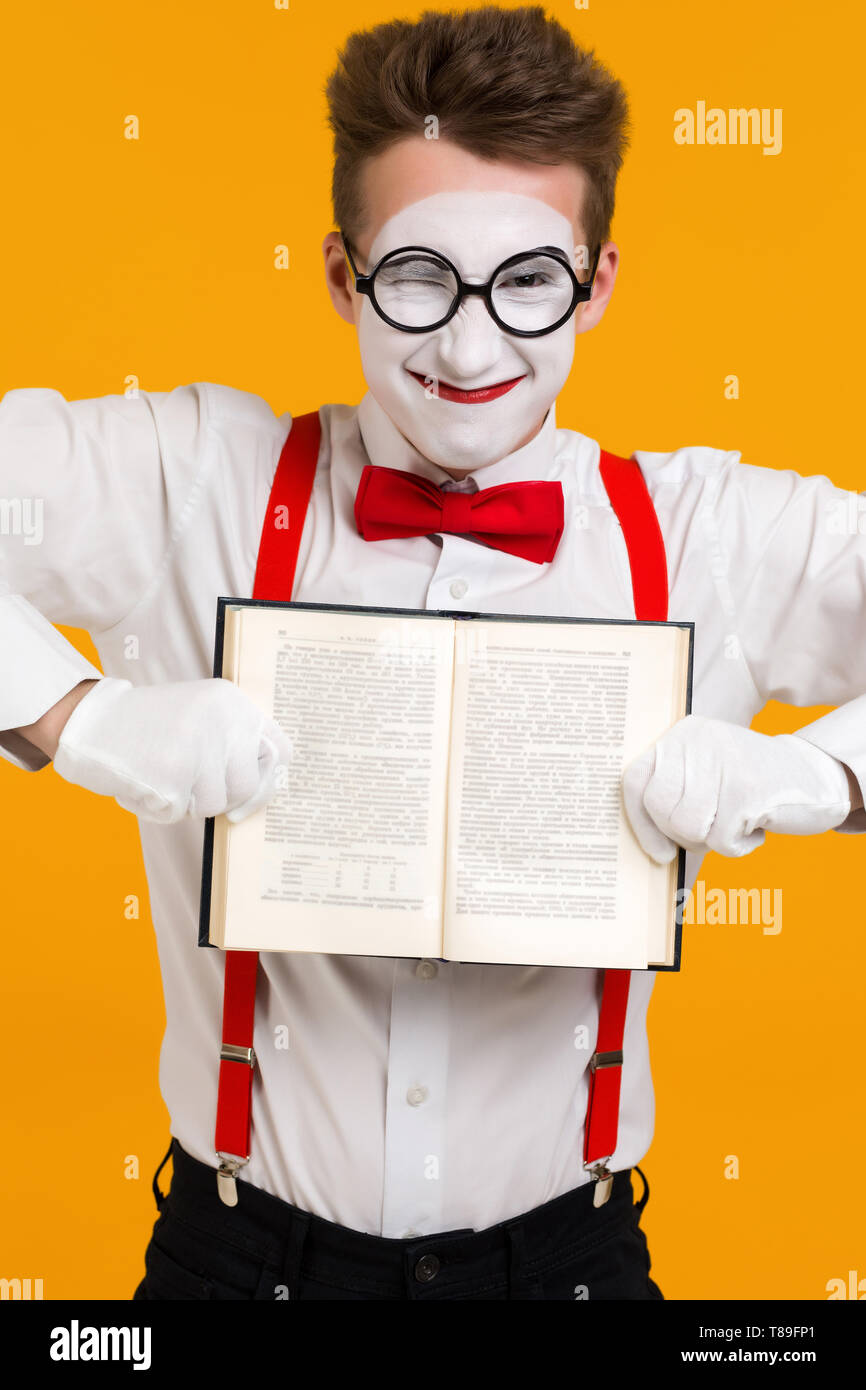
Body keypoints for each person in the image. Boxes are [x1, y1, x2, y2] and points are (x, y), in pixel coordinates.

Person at [1, 5, 864, 1301]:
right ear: (344, 273)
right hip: (237, 1265)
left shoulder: (704, 531)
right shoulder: (195, 478)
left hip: (565, 1265)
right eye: (416, 279)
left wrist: (815, 779)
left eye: (527, 283)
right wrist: (79, 716)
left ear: (599, 279)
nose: (468, 349)